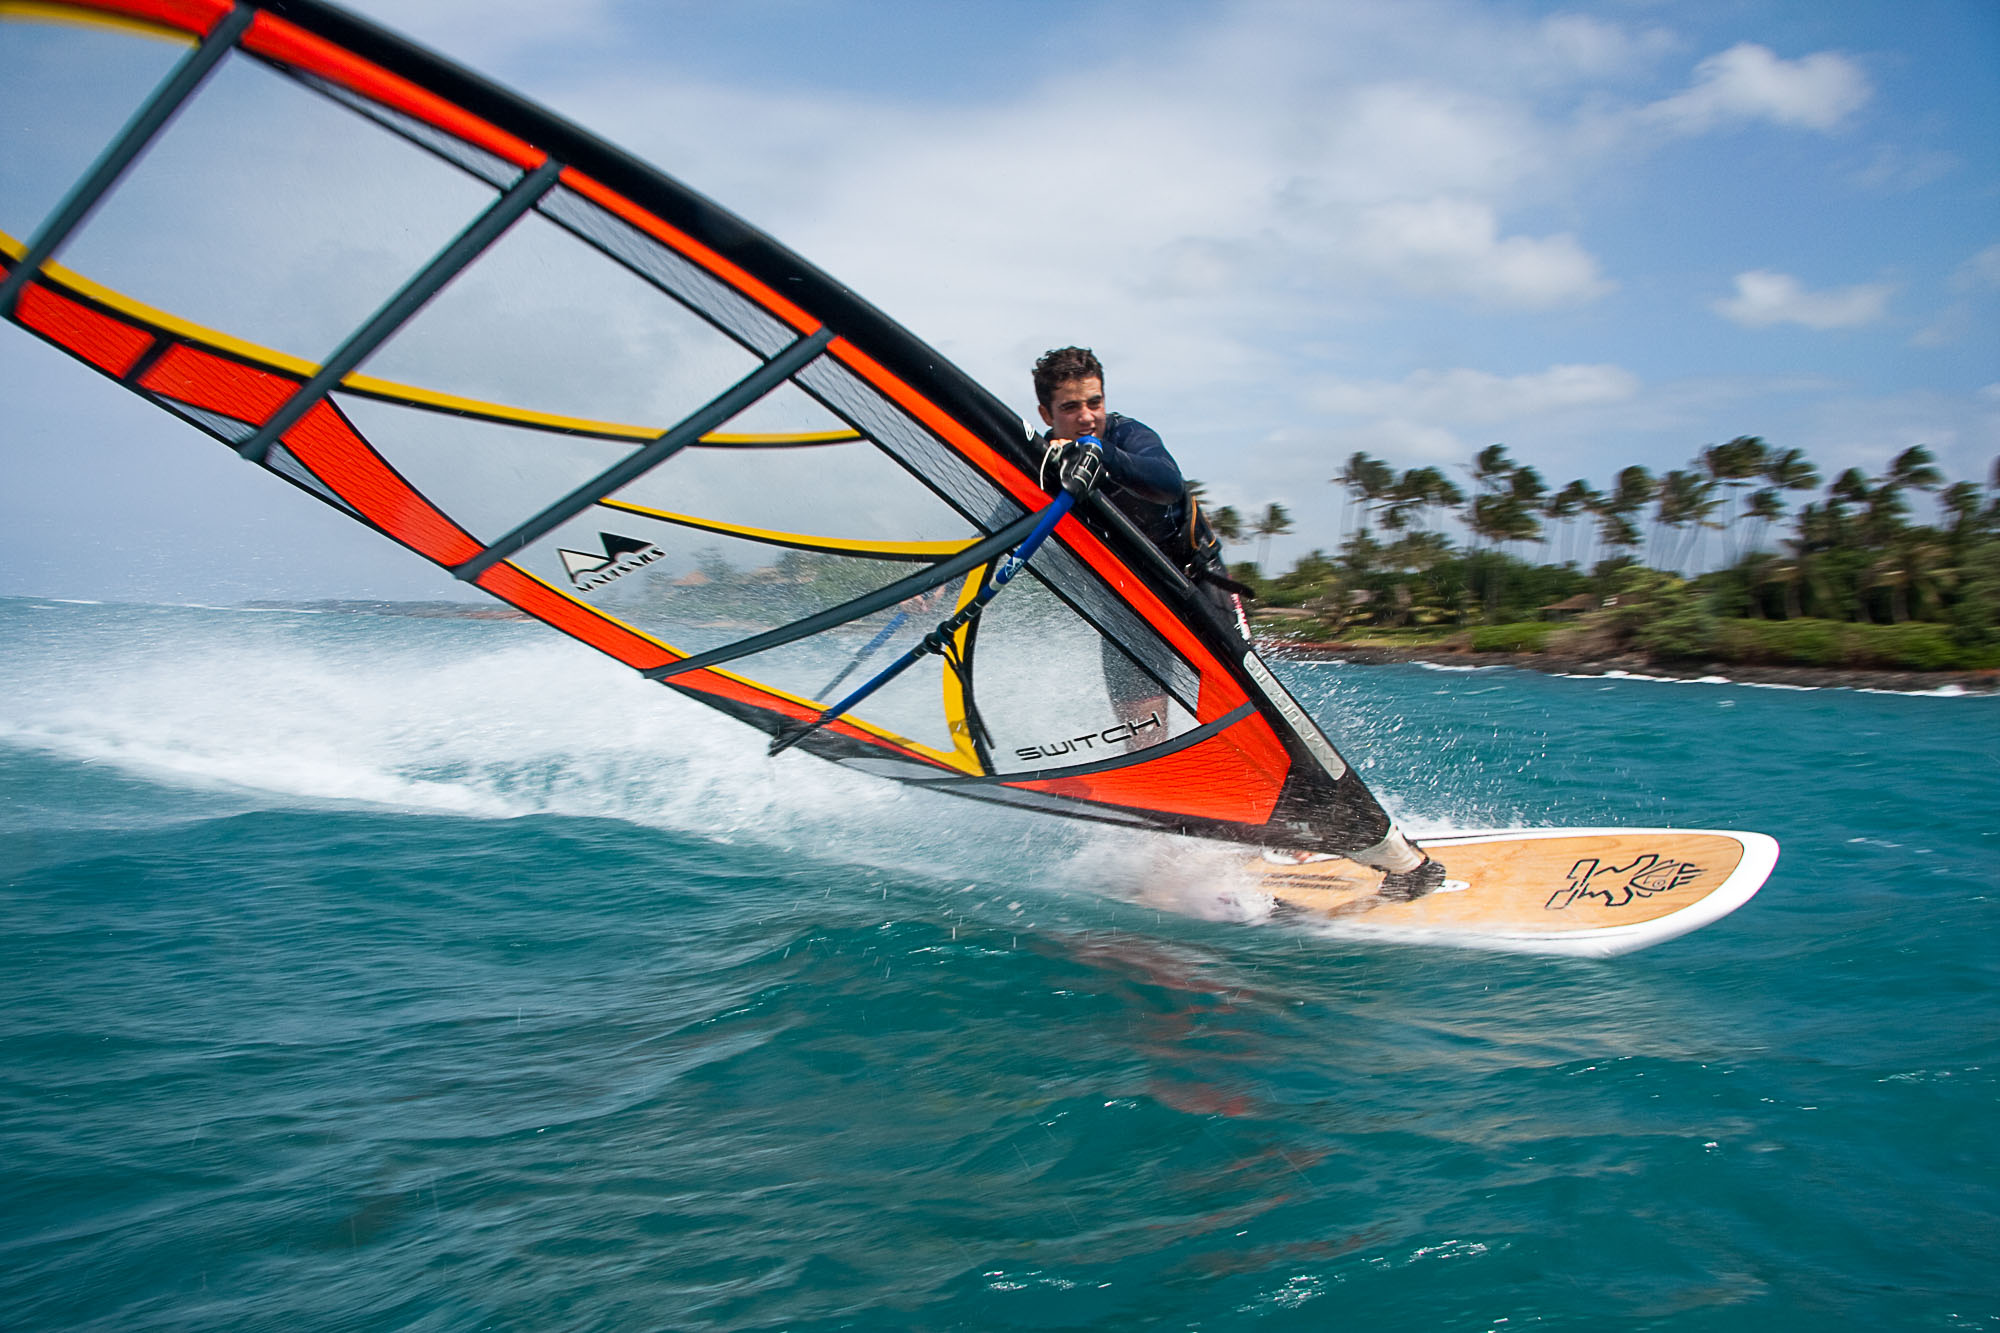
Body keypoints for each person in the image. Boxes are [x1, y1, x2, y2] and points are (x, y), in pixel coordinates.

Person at [1029, 347, 1250, 639]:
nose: (1086, 417)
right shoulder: (1046, 464)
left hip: (1197, 577)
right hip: (1131, 588)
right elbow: (1005, 521)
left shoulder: (1128, 435)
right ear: (1046, 414)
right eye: (1070, 407)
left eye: (1095, 403)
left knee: (1237, 666)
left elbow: (1169, 484)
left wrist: (1099, 452)